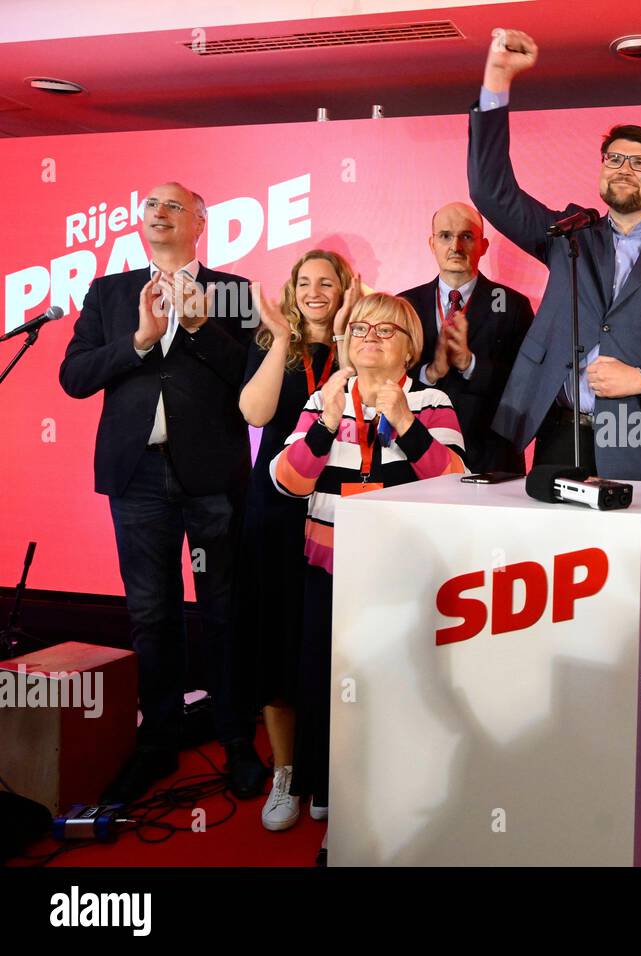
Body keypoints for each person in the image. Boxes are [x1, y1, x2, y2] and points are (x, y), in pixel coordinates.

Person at [469, 27, 641, 855]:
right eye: (614, 159)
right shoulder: (568, 233)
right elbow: (490, 190)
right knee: (550, 603)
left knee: (638, 617)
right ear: (601, 173)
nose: (624, 171)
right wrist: (495, 85)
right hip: (551, 435)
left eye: (639, 163)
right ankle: (557, 770)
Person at [59, 181, 267, 804]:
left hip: (212, 477)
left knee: (223, 608)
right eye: (150, 205)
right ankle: (159, 739)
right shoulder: (111, 291)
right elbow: (74, 376)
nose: (157, 213)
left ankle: (235, 738)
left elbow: (255, 381)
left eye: (173, 206)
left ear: (201, 223)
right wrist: (139, 341)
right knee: (151, 612)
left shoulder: (234, 291)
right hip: (137, 478)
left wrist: (201, 328)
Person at [272, 292, 466, 863]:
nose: (370, 337)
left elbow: (457, 479)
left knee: (393, 700)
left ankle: (391, 810)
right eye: (360, 328)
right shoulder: (323, 396)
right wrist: (327, 423)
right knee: (333, 695)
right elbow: (287, 483)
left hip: (403, 585)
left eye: (386, 330)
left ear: (411, 346)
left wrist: (404, 422)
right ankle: (339, 801)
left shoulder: (431, 400)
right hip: (330, 575)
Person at [238, 250, 359, 830]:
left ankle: (330, 768)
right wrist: (283, 337)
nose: (314, 291)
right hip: (276, 513)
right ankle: (286, 771)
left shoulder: (361, 343)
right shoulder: (271, 347)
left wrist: (346, 338)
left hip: (341, 512)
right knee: (277, 638)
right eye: (304, 283)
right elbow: (255, 414)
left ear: (345, 288)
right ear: (291, 290)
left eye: (326, 282)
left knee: (334, 643)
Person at [400, 202, 535, 474]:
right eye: (446, 236)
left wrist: (469, 363)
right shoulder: (404, 304)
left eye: (467, 236)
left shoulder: (514, 305)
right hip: (416, 452)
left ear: (483, 246)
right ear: (432, 243)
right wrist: (430, 372)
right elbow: (390, 378)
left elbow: (527, 384)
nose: (456, 246)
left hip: (493, 460)